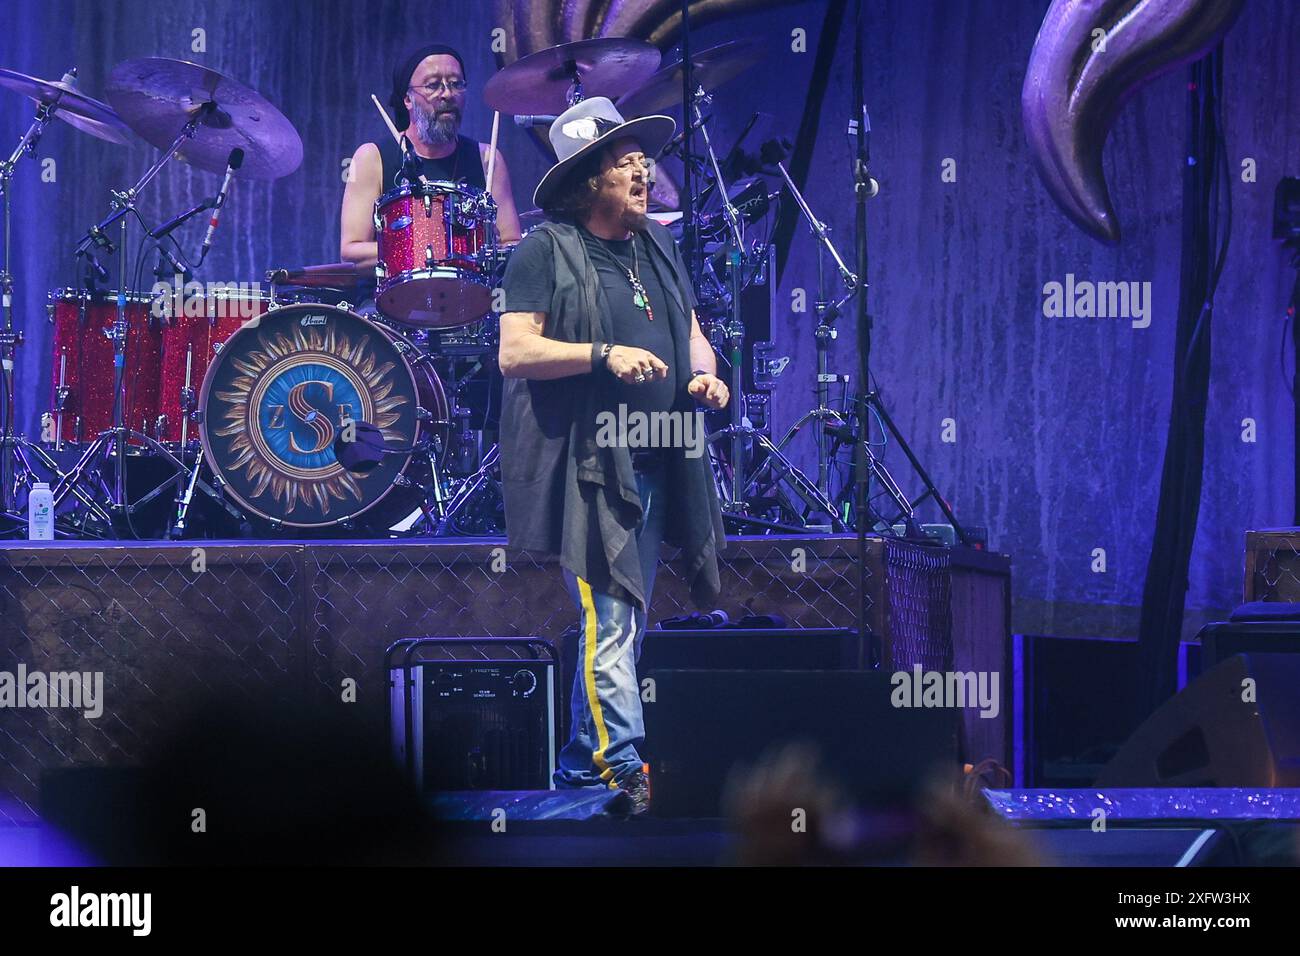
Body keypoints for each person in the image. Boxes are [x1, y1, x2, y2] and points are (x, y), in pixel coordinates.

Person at [496, 97, 729, 815]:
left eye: (641, 159)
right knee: (616, 615)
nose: (642, 171)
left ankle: (578, 766)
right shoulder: (546, 250)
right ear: (584, 181)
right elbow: (515, 352)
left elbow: (690, 328)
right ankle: (622, 767)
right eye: (623, 161)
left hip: (661, 456)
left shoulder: (656, 243)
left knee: (621, 619)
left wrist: (703, 372)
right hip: (592, 467)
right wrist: (602, 354)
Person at [340, 43, 521, 276]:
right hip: (390, 303)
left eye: (456, 84)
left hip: (474, 300)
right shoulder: (372, 159)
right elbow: (351, 252)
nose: (447, 94)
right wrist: (434, 246)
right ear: (407, 99)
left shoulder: (488, 159)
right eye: (433, 85)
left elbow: (511, 245)